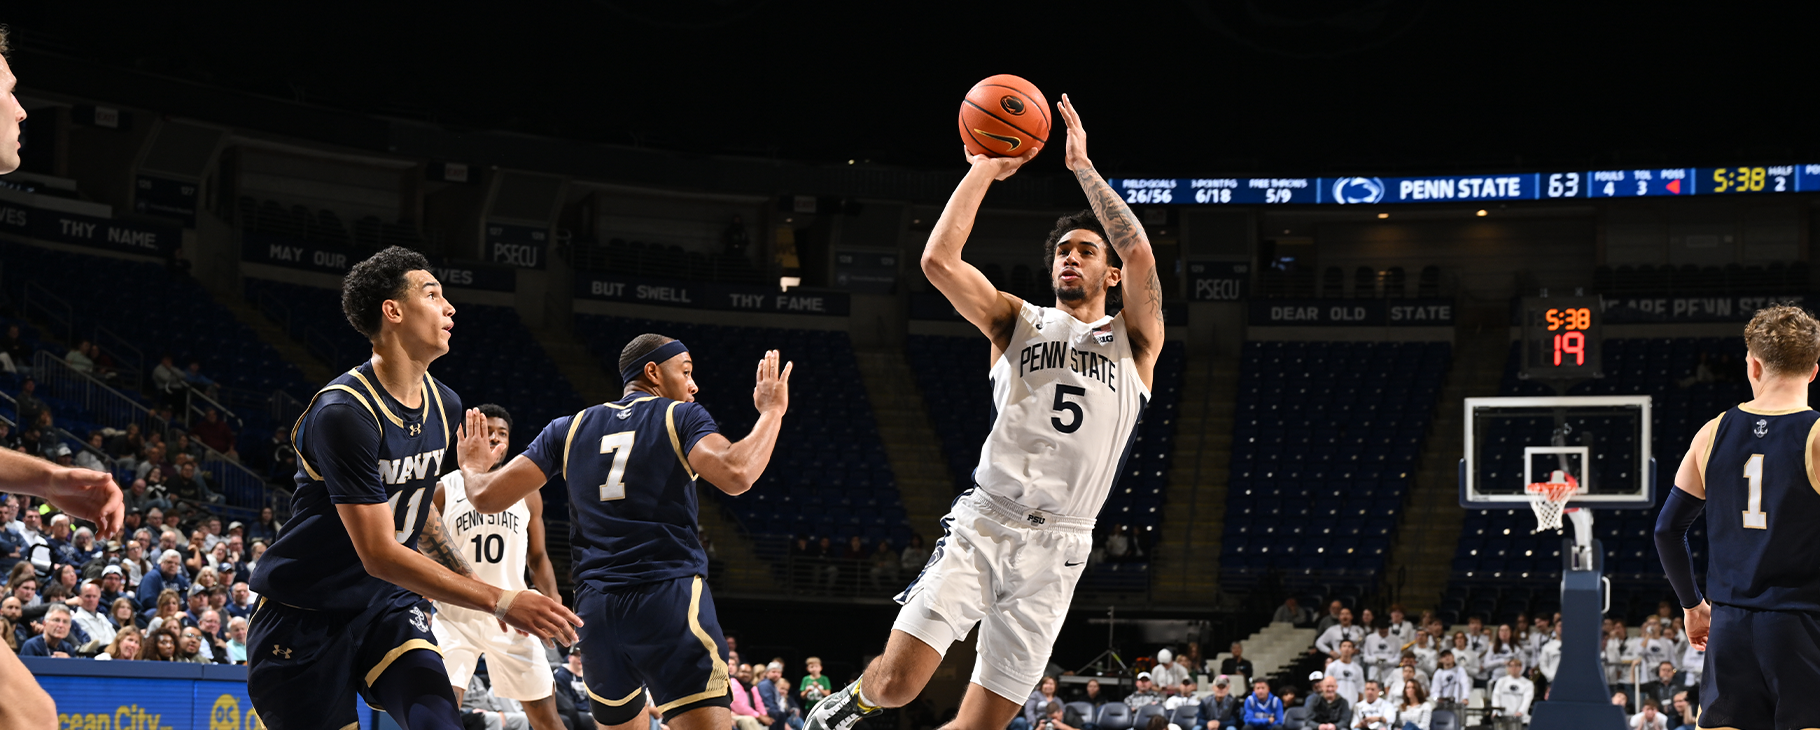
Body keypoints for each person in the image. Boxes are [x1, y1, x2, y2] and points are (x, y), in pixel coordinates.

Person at [804, 96, 1163, 730]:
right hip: (987, 525)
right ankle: (848, 703)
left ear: (1109, 273)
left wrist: (1080, 165)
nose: (1069, 259)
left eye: (1084, 252)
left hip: (1064, 547)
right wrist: (984, 168)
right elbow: (938, 263)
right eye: (1062, 252)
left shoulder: (1134, 344)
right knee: (896, 687)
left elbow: (1140, 254)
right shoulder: (1017, 321)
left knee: (981, 726)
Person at [245, 247, 579, 730]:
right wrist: (501, 599)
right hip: (304, 611)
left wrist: (484, 589)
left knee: (441, 722)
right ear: (393, 311)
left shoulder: (444, 404)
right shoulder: (345, 412)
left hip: (385, 604)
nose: (450, 307)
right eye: (433, 294)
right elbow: (379, 551)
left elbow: (416, 513)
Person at [456, 331, 791, 730]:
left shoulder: (567, 427)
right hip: (667, 597)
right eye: (685, 372)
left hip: (596, 611)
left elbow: (487, 497)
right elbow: (737, 473)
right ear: (653, 372)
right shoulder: (679, 415)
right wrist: (771, 411)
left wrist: (473, 468)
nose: (693, 384)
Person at [1655, 304, 1820, 730]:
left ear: (1754, 365)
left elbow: (1667, 529)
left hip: (1728, 627)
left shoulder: (1711, 432)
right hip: (1801, 625)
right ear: (1814, 370)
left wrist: (1693, 606)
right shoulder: (1817, 435)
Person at [425, 403, 565, 730]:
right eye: (487, 432)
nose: (494, 439)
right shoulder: (445, 488)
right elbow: (423, 546)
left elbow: (539, 556)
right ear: (469, 437)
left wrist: (554, 596)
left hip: (514, 613)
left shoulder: (528, 493)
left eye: (502, 434)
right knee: (443, 712)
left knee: (546, 717)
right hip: (455, 614)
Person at [1487, 659, 1532, 730]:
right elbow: (1496, 696)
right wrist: (1496, 711)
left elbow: (1527, 699)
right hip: (1503, 718)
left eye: (1516, 666)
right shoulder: (1501, 681)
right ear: (1508, 668)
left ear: (1520, 668)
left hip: (1520, 719)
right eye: (1511, 666)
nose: (1513, 668)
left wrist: (1520, 712)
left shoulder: (1527, 683)